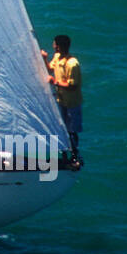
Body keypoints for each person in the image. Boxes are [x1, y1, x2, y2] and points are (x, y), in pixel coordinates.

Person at [42, 34, 82, 168]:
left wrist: (55, 82)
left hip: (72, 103)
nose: (53, 46)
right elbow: (50, 68)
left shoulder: (72, 64)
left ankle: (75, 155)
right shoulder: (58, 57)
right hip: (61, 101)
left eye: (54, 44)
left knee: (72, 130)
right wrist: (44, 58)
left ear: (58, 46)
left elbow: (73, 85)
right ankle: (64, 155)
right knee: (62, 128)